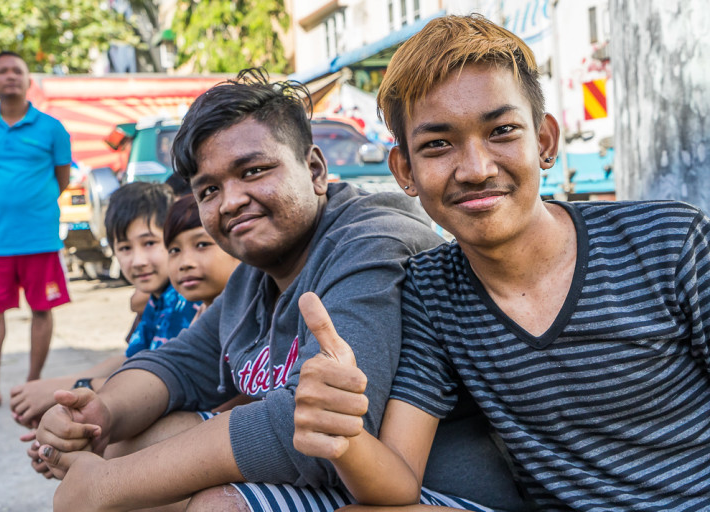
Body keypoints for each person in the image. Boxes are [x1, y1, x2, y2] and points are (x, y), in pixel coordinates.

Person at [292, 13, 710, 511]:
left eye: (503, 131)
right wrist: (343, 430)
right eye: (438, 145)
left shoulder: (669, 241)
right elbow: (398, 484)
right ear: (405, 170)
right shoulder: (432, 292)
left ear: (545, 141)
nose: (476, 169)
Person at [33, 68, 447, 512]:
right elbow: (182, 363)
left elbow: (318, 431)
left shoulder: (373, 242)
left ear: (315, 170)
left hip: (414, 489)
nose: (230, 202)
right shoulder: (257, 270)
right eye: (209, 190)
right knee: (131, 440)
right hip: (336, 474)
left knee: (218, 505)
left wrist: (108, 486)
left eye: (253, 171)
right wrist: (102, 413)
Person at [9, 182, 198, 430]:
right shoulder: (158, 299)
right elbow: (132, 360)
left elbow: (161, 381)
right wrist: (67, 385)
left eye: (149, 243)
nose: (138, 261)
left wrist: (72, 387)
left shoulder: (189, 298)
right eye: (125, 248)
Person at [0, 51, 72, 418]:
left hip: (40, 239)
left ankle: (33, 384)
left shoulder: (52, 128)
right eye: (1, 71)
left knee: (42, 310)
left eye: (17, 70)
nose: (10, 76)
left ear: (27, 80)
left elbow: (62, 180)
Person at [163, 193, 240, 319]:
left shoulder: (258, 320)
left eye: (202, 245)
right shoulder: (202, 319)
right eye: (174, 250)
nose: (185, 263)